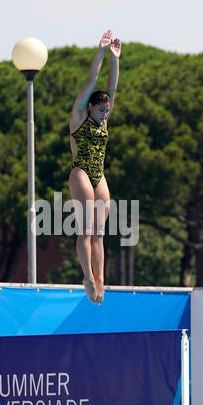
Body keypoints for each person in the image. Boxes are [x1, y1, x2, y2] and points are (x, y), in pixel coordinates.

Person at [69, 30, 121, 305]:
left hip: (99, 175)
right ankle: (87, 277)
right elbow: (93, 81)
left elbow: (112, 88)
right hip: (80, 172)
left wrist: (116, 59)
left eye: (107, 112)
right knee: (86, 231)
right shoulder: (79, 116)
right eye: (101, 111)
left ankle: (100, 279)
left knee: (100, 234)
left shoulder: (104, 121)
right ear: (90, 108)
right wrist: (100, 52)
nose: (104, 115)